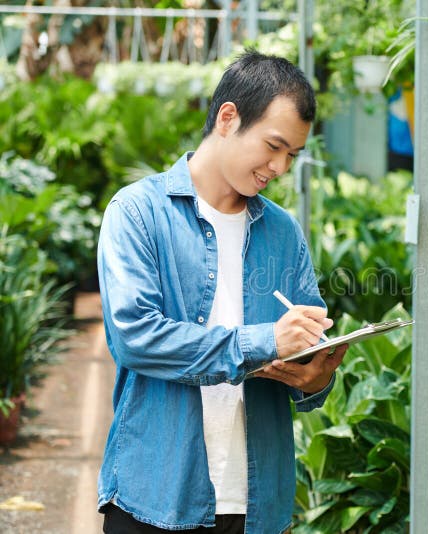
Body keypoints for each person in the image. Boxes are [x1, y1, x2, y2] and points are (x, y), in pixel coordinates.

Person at [96, 50, 346, 534]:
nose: (279, 167)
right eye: (273, 146)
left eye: (291, 156)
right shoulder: (138, 213)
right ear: (228, 118)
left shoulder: (282, 232)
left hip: (256, 505)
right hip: (155, 495)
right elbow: (135, 337)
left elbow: (307, 366)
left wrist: (315, 374)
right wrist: (261, 341)